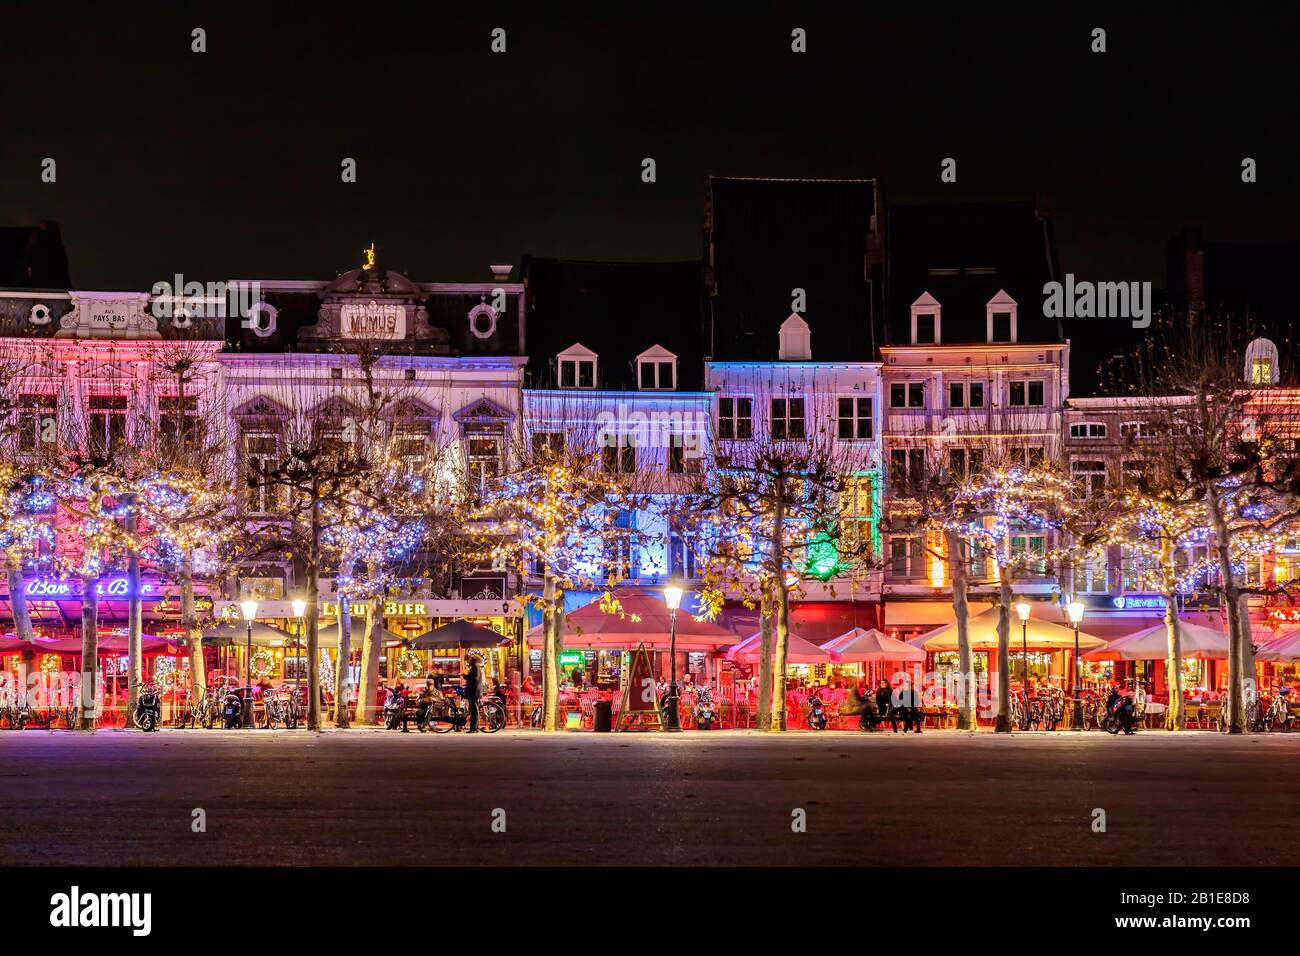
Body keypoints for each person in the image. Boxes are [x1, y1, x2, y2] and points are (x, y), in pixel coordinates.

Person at [464, 655, 483, 733]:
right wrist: (465, 676)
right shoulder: (474, 666)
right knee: (472, 710)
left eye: (467, 660)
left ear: (470, 659)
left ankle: (474, 728)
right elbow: (473, 677)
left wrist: (467, 677)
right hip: (474, 690)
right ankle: (473, 727)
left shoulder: (475, 666)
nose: (467, 662)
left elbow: (475, 678)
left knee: (474, 710)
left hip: (474, 691)